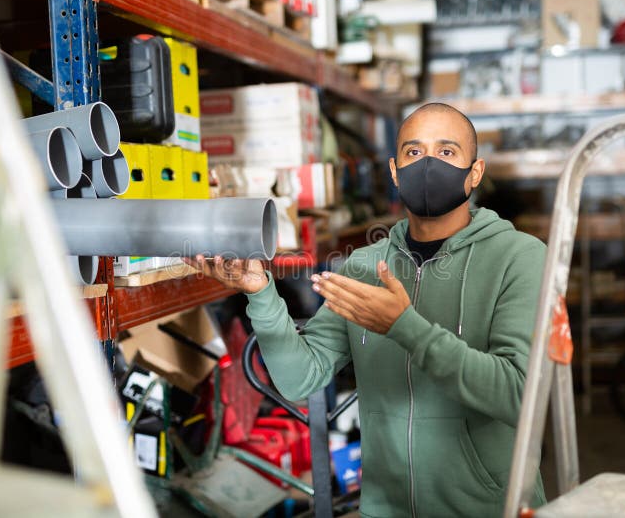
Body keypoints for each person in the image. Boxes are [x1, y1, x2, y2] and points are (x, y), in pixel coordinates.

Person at [187, 103, 547, 517]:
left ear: (475, 172)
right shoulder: (363, 266)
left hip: (490, 508)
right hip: (385, 509)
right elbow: (300, 379)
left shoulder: (520, 257)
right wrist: (262, 293)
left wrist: (405, 327)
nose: (428, 163)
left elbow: (519, 396)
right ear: (395, 171)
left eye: (446, 152)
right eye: (414, 152)